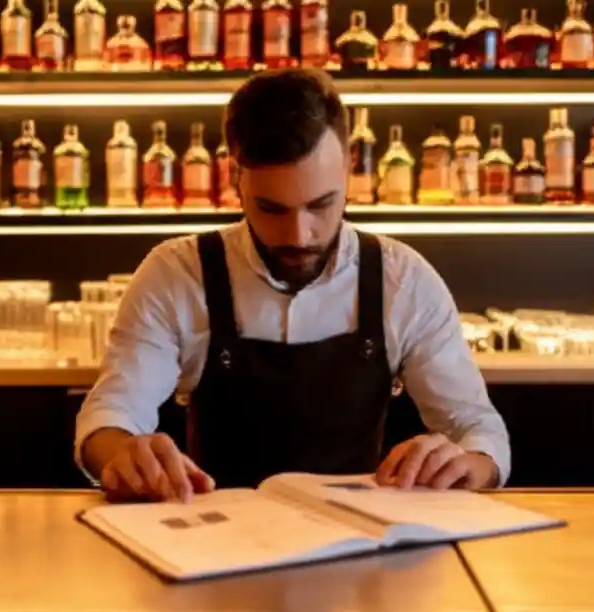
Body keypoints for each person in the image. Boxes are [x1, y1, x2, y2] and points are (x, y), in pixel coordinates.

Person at [73, 67, 511, 503]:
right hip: (213, 543)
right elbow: (110, 414)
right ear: (235, 177)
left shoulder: (404, 280)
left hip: (360, 545)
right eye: (272, 208)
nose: (300, 235)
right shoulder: (179, 274)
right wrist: (123, 452)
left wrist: (467, 462)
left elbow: (480, 431)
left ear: (349, 168)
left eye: (321, 204)